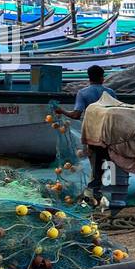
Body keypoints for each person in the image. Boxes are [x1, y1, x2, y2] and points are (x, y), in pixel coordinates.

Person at [54, 65, 116, 197]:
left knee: (95, 164)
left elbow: (76, 115)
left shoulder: (83, 93)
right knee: (109, 161)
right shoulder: (110, 92)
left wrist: (62, 111)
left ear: (89, 78)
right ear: (102, 78)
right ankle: (111, 194)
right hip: (109, 135)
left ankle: (96, 195)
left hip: (92, 135)